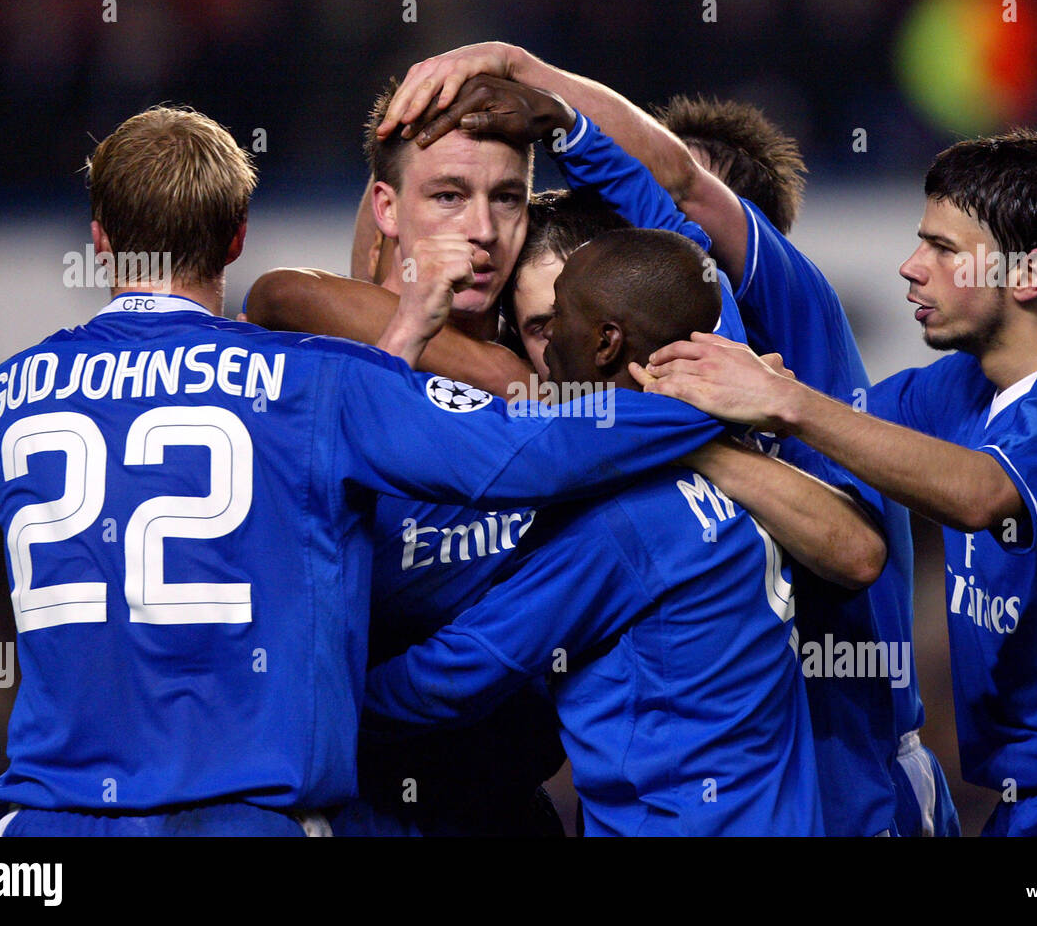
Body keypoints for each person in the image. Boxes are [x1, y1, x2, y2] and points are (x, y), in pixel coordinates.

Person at [0, 105, 734, 836]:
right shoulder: (307, 379)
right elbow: (527, 453)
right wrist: (700, 398)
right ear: (237, 236)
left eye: (505, 198)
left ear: (101, 240)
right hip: (244, 810)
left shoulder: (4, 396)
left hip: (42, 815)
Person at [381, 44, 952, 837]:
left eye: (563, 323)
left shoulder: (762, 336)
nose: (547, 352)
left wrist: (305, 718)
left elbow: (675, 191)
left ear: (614, 333)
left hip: (861, 791)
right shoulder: (708, 397)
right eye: (534, 327)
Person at [636, 129, 1037, 836]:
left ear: (1031, 276)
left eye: (944, 250)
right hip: (1034, 799)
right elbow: (841, 432)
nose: (912, 267)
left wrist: (789, 402)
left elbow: (978, 495)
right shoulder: (959, 390)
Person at [365, 226, 886, 835]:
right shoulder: (745, 469)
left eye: (558, 315)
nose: (547, 338)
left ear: (607, 342)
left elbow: (455, 675)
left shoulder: (622, 520)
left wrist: (316, 701)